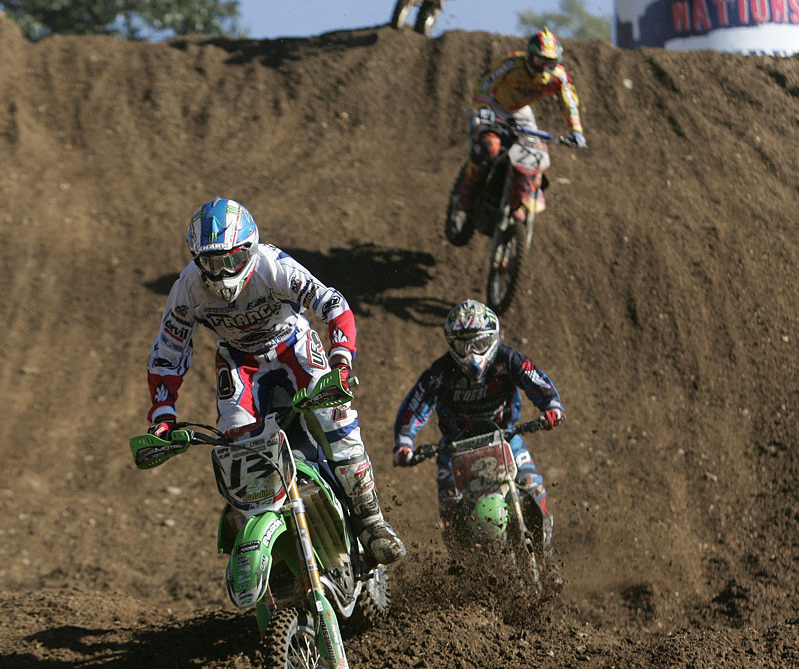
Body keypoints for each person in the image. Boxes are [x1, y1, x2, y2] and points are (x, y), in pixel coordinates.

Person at [146, 197, 406, 565]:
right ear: (196, 259)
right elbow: (168, 349)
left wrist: (340, 362)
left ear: (249, 250)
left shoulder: (274, 267)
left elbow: (333, 304)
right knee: (237, 445)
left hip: (292, 347)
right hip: (240, 362)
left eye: (230, 261)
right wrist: (163, 414)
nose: (221, 274)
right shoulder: (187, 288)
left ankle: (372, 520)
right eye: (210, 263)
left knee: (337, 420)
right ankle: (264, 530)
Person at [392, 299, 564, 547]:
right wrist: (404, 443)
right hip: (455, 448)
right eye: (463, 345)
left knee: (534, 488)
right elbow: (416, 404)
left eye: (479, 343)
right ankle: (464, 570)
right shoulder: (441, 372)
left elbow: (535, 379)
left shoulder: (507, 359)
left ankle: (544, 560)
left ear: (493, 339)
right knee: (451, 515)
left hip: (506, 438)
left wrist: (552, 406)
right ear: (451, 345)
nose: (471, 353)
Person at [447, 28, 586, 245]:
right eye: (540, 60)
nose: (544, 66)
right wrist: (482, 106)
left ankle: (517, 196)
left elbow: (569, 101)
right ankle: (463, 198)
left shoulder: (558, 76)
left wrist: (576, 130)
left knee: (534, 152)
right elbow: (484, 83)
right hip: (493, 105)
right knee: (489, 147)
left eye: (550, 62)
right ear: (530, 55)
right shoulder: (512, 63)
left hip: (520, 112)